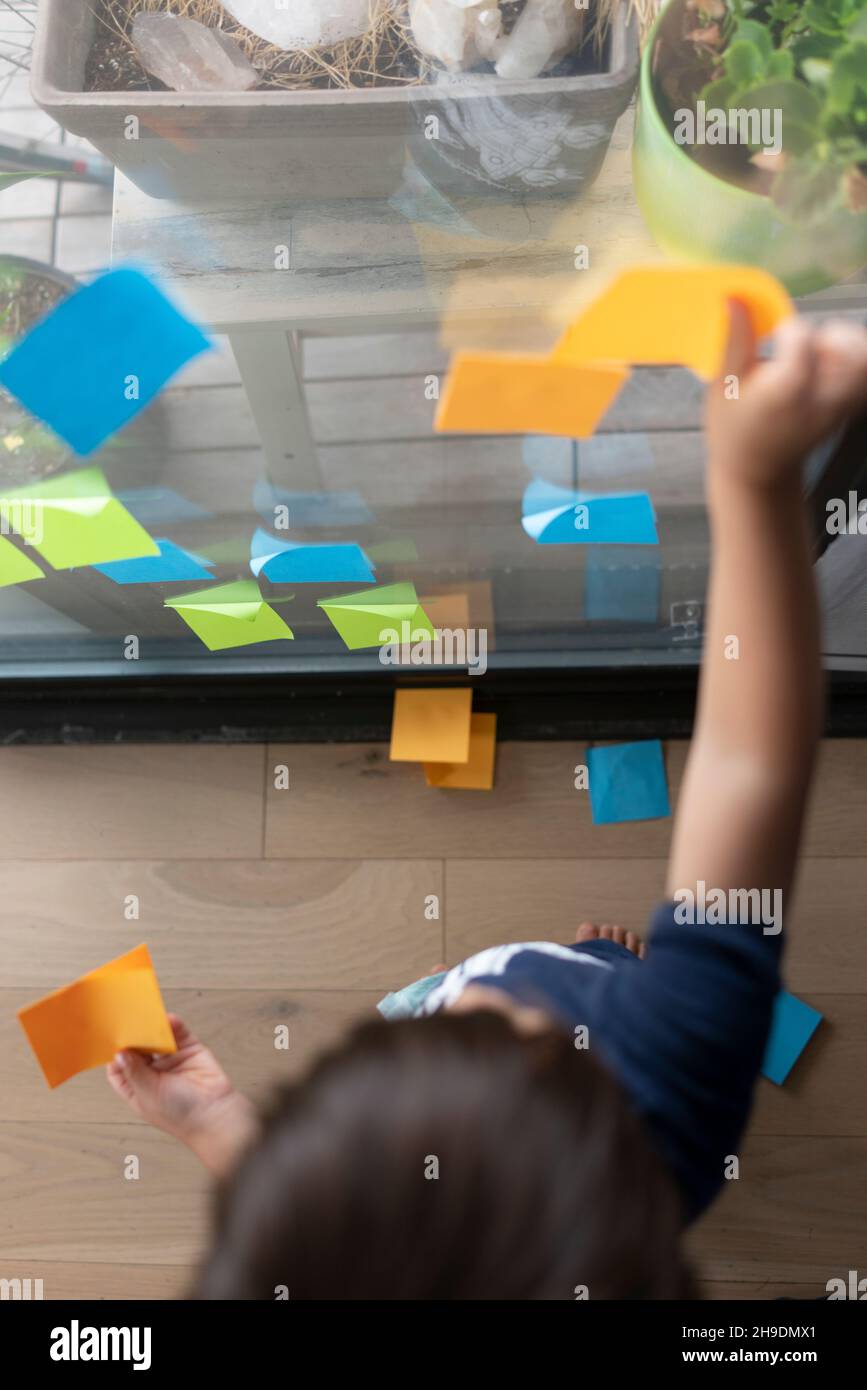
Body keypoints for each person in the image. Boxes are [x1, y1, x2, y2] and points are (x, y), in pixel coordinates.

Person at [107, 304, 867, 1299]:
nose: (475, 998)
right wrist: (756, 481)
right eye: (517, 1028)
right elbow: (749, 764)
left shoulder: (403, 1226)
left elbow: (328, 1246)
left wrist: (210, 1119)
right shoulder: (681, 1075)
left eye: (428, 1031)